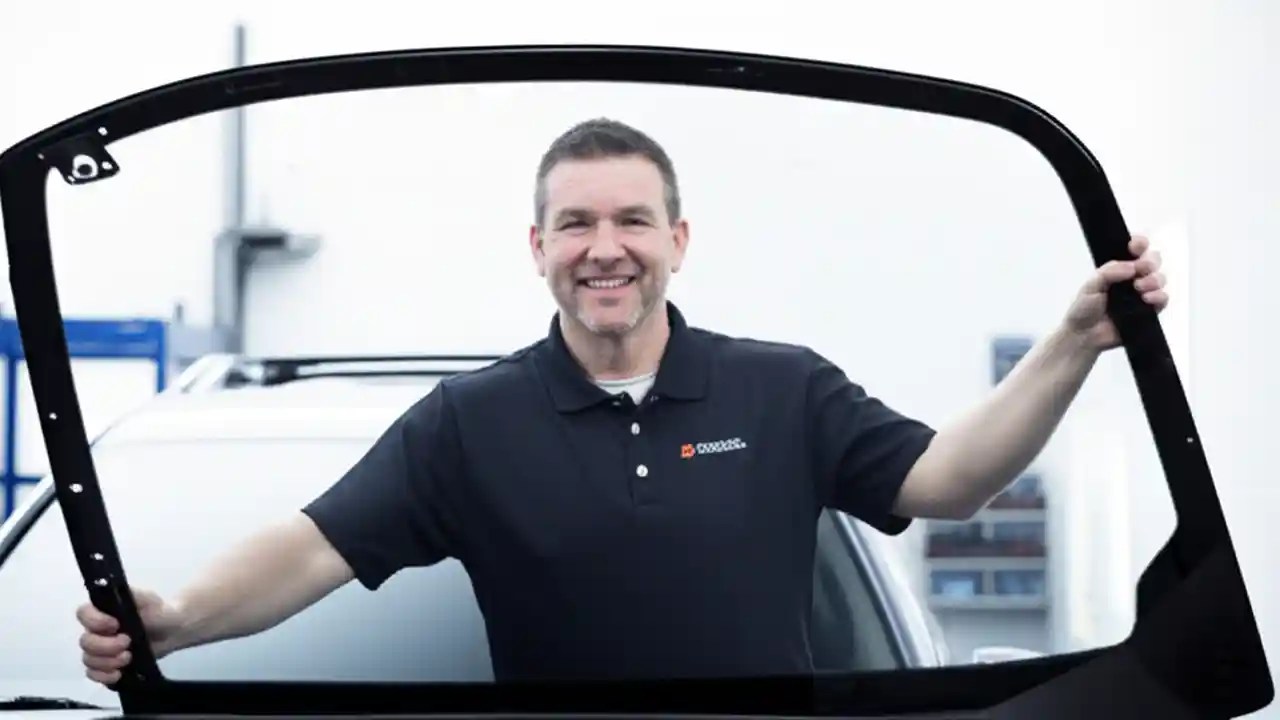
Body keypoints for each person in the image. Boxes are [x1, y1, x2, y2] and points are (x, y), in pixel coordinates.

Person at [76, 118, 1168, 685]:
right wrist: (173, 623)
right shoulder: (471, 423)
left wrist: (1072, 344)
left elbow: (951, 480)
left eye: (633, 221)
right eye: (577, 224)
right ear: (537, 247)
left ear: (676, 242)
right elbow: (310, 550)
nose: (606, 249)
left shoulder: (781, 387)